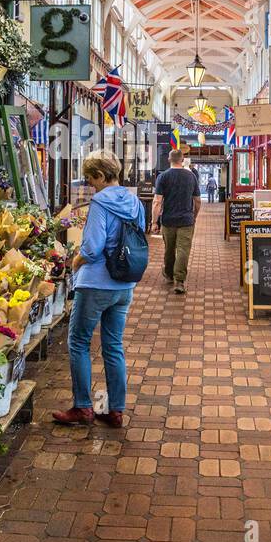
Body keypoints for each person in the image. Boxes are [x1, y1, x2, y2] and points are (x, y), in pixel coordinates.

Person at [52, 151, 143, 428]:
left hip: (95, 284)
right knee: (113, 345)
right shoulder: (134, 201)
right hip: (124, 283)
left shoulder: (101, 203)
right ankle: (115, 410)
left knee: (79, 342)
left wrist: (74, 261)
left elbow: (92, 248)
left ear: (102, 176)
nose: (91, 185)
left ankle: (82, 407)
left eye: (92, 179)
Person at [151, 149, 200, 293]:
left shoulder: (163, 177)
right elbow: (197, 201)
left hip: (168, 220)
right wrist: (194, 216)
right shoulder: (191, 177)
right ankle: (179, 281)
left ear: (169, 159)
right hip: (186, 220)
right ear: (183, 159)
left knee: (169, 249)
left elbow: (157, 202)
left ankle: (169, 275)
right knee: (183, 250)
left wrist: (154, 222)